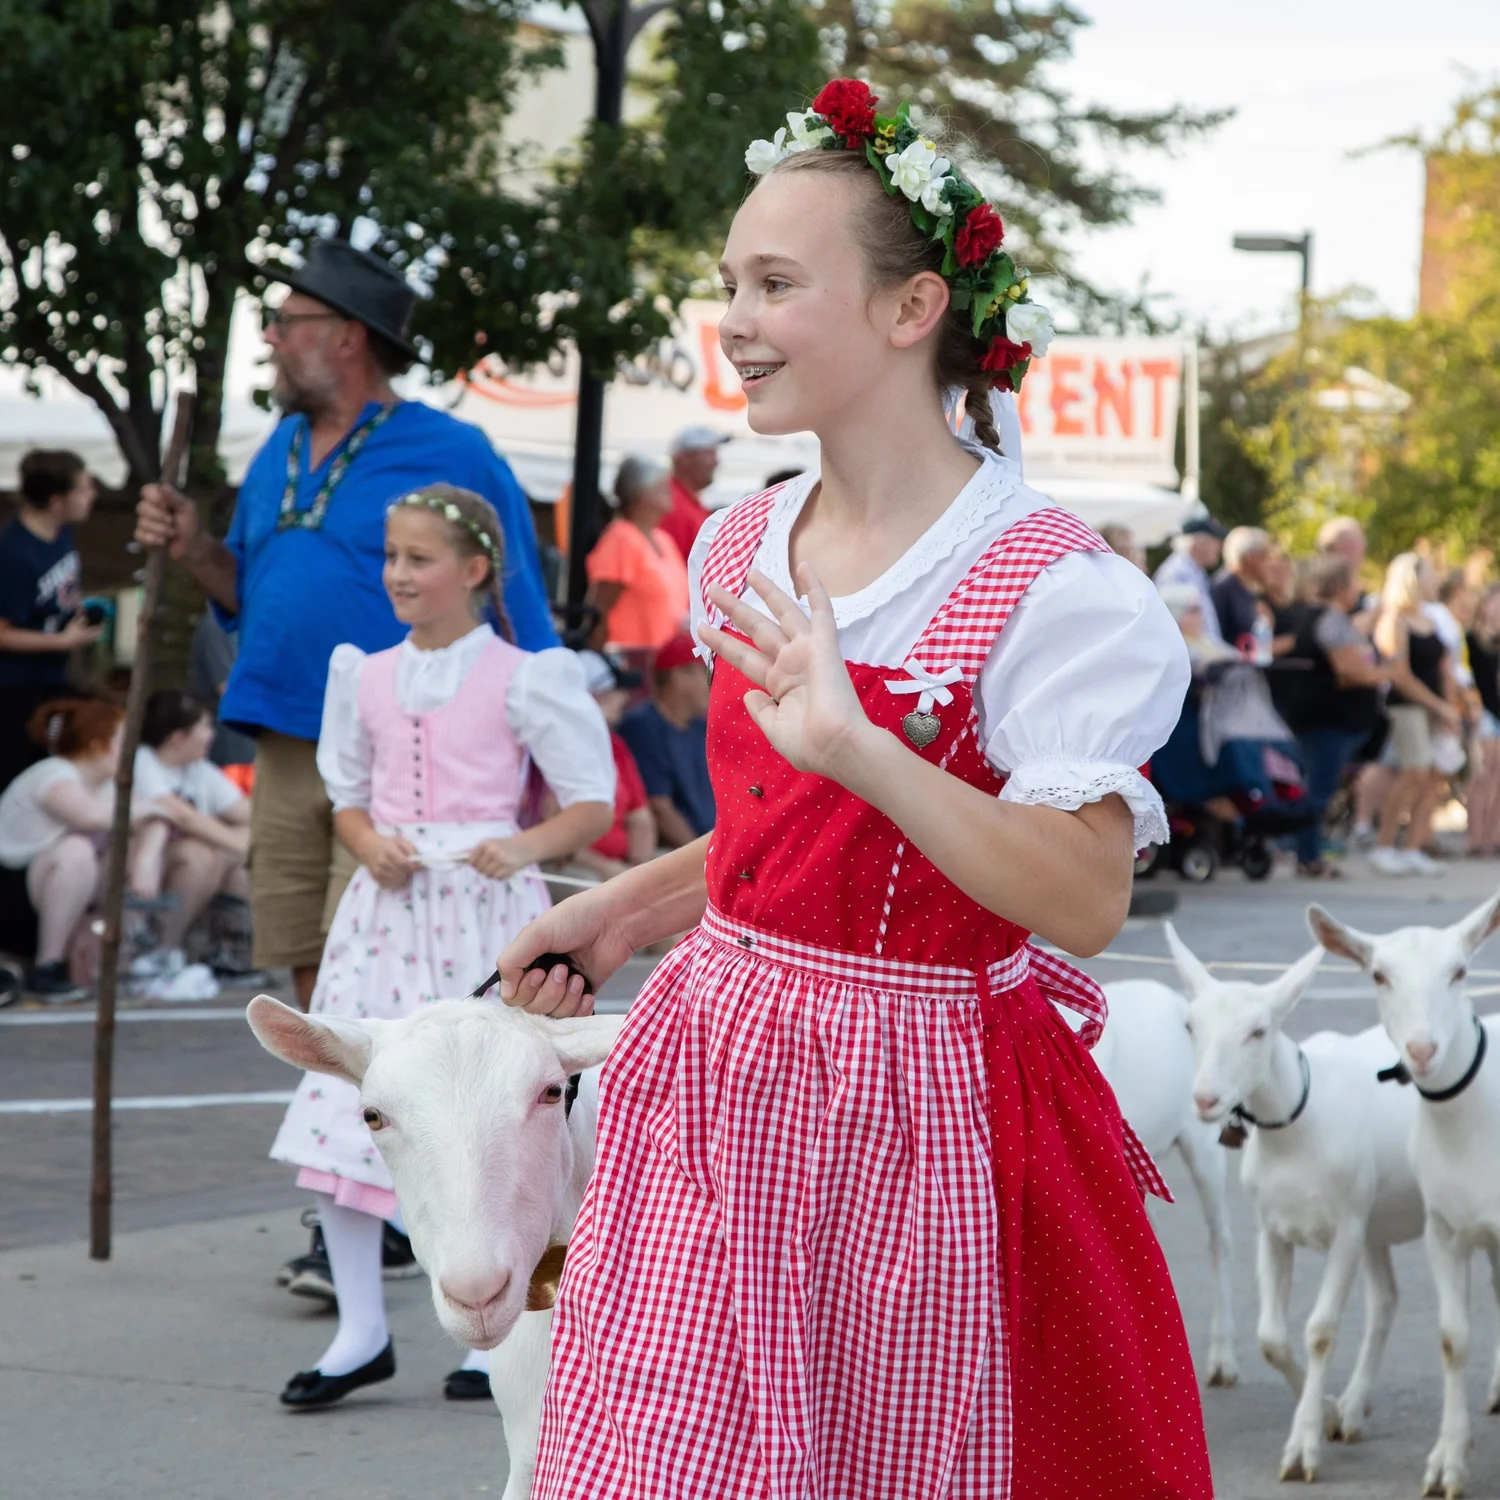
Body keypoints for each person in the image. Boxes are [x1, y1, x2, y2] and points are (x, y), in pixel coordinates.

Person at [495, 79, 1209, 1499]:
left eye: (776, 284)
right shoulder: (743, 539)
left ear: (911, 308)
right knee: (671, 1462)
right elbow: (790, 834)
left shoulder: (1050, 587)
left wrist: (865, 747)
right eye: (730, 285)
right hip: (720, 1070)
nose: (735, 320)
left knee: (900, 1457)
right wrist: (627, 912)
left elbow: (1083, 899)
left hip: (922, 1106)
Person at [134, 239, 558, 1010]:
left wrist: (551, 756)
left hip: (403, 742)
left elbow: (517, 599)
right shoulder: (279, 448)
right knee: (304, 952)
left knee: (373, 951)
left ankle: (379, 1094)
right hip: (285, 733)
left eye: (287, 321)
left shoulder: (453, 450)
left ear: (347, 337)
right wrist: (193, 546)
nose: (270, 338)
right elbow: (245, 588)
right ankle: (330, 1094)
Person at [267, 484, 613, 1410]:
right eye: (391, 557)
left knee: (495, 1118)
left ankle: (502, 1323)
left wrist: (524, 846)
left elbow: (591, 802)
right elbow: (346, 794)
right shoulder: (363, 672)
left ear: (474, 570)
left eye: (418, 559)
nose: (397, 574)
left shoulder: (525, 674)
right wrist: (365, 841)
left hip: (485, 912)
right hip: (386, 915)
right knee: (351, 1108)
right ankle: (361, 1330)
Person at [0, 699, 162, 1000]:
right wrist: (154, 809)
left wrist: (145, 861)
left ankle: (135, 957)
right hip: (13, 895)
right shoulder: (53, 774)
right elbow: (91, 816)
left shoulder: (106, 785)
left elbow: (155, 819)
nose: (132, 751)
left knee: (120, 852)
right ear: (97, 745)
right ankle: (47, 965)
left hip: (62, 898)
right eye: (122, 741)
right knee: (76, 851)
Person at [1276, 556, 1392, 878]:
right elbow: (1348, 670)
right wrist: (1386, 672)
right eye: (1354, 583)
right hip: (1327, 720)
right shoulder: (1328, 619)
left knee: (1317, 786)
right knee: (1319, 788)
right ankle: (1308, 856)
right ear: (1339, 586)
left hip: (1326, 719)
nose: (1359, 589)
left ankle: (1307, 852)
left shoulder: (1322, 617)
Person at [0, 451, 101, 793]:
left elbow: (60, 590)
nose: (92, 496)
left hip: (53, 678)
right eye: (83, 490)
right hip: (15, 687)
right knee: (18, 775)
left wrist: (78, 614)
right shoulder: (14, 554)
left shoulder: (60, 536)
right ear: (57, 501)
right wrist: (62, 641)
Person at [128, 689, 251, 964]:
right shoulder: (143, 762)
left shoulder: (198, 769)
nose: (212, 735)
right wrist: (245, 846)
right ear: (178, 737)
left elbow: (244, 812)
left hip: (177, 859)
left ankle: (228, 952)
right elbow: (183, 817)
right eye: (205, 727)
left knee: (237, 857)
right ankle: (162, 951)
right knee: (201, 855)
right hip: (135, 861)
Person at [1370, 553, 1460, 876]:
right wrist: (1438, 705)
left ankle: (1413, 847)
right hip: (1407, 707)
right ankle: (1384, 845)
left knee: (1435, 776)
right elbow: (1401, 675)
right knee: (1415, 771)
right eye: (1430, 574)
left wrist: (1450, 710)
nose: (1436, 579)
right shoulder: (1394, 619)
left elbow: (1445, 669)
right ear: (1413, 579)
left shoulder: (1431, 619)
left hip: (1435, 708)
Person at [583, 456, 690, 654]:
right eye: (661, 486)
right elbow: (600, 608)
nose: (669, 491)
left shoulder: (663, 539)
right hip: (628, 659)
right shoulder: (621, 538)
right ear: (640, 493)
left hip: (664, 660)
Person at [617, 633, 714, 846]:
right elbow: (659, 808)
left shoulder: (701, 728)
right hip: (674, 851)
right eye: (706, 672)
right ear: (679, 676)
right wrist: (703, 859)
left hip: (709, 848)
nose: (713, 682)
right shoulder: (641, 726)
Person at [572, 651, 656, 880]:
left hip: (621, 866)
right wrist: (608, 869)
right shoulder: (556, 747)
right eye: (616, 690)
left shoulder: (615, 745)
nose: (625, 697)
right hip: (580, 867)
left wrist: (639, 868)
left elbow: (640, 818)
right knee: (588, 886)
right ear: (591, 696)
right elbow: (557, 837)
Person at [1154, 514, 1227, 646]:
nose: (1219, 548)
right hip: (1192, 655)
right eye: (1215, 541)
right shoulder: (1176, 573)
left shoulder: (1196, 571)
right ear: (1197, 542)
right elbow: (1182, 632)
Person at [1466, 585, 1500, 858]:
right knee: (1482, 775)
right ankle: (1475, 839)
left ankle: (1493, 836)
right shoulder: (1471, 639)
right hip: (1482, 713)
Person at [659, 426, 727, 562]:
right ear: (685, 459)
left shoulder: (687, 500)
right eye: (709, 453)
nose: (716, 462)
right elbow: (670, 564)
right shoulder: (670, 504)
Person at [1210, 525, 1272, 655]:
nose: (1269, 562)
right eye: (1264, 555)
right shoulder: (1223, 587)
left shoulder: (1247, 587)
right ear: (1249, 557)